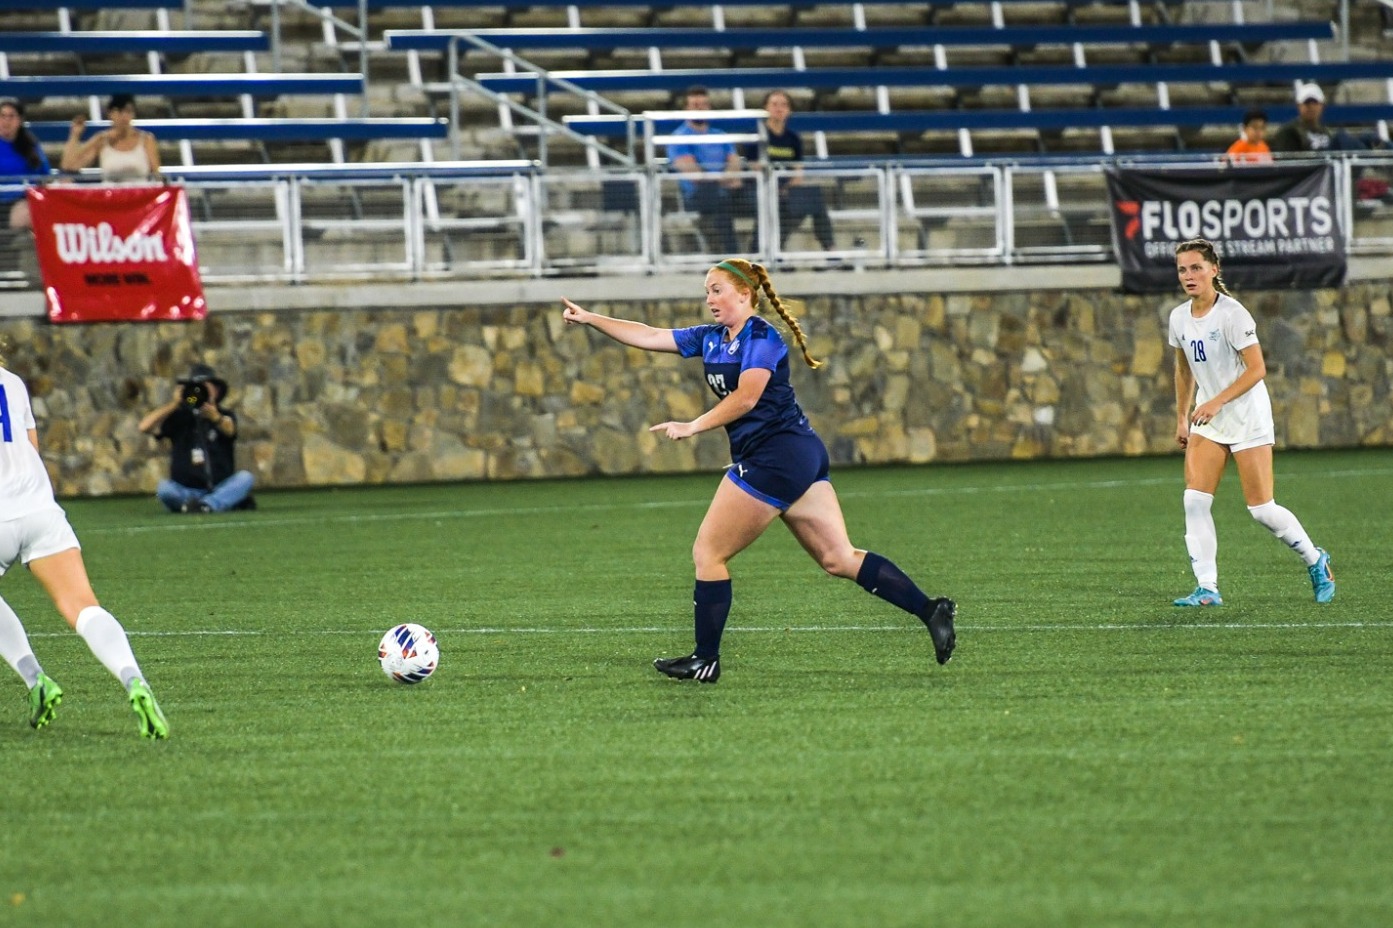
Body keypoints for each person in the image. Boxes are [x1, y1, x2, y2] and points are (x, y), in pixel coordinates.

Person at [561, 258, 956, 682]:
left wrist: (693, 425)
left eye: (717, 290)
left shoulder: (762, 337)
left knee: (708, 553)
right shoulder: (711, 338)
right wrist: (591, 318)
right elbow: (650, 334)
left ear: (745, 293)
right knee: (838, 558)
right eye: (707, 292)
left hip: (776, 457)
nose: (709, 299)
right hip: (796, 456)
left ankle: (705, 659)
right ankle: (930, 609)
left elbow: (748, 397)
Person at [0, 346, 169, 738]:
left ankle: (35, 679)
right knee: (83, 606)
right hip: (40, 509)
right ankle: (134, 680)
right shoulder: (12, 383)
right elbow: (31, 450)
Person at [1168, 237, 1335, 607]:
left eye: (1196, 267)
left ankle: (1315, 560)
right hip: (1209, 419)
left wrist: (1216, 401)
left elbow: (1257, 369)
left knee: (1261, 509)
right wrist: (1182, 417)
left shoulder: (1232, 314)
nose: (1189, 275)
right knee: (1194, 500)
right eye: (1182, 269)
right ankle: (1207, 588)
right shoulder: (1178, 318)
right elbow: (1183, 370)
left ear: (1214, 269)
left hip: (1247, 415)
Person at [138, 363, 255, 514]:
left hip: (218, 487)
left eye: (207, 387)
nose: (202, 391)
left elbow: (230, 430)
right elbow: (144, 427)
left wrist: (215, 417)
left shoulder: (224, 415)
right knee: (164, 489)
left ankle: (206, 505)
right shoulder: (179, 418)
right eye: (198, 387)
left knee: (245, 478)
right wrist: (175, 404)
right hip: (187, 490)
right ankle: (214, 504)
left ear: (216, 390)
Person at [665, 86, 755, 255]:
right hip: (697, 195)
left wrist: (724, 177)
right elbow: (694, 173)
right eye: (695, 105)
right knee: (719, 200)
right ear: (686, 109)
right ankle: (732, 256)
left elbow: (735, 163)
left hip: (727, 191)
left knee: (760, 199)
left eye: (704, 104)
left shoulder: (719, 134)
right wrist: (725, 178)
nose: (700, 109)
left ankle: (758, 252)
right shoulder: (679, 138)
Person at [742, 89, 835, 251]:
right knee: (777, 205)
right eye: (774, 104)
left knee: (815, 199)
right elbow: (753, 166)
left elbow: (798, 171)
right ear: (765, 108)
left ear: (789, 110)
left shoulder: (793, 139)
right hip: (760, 190)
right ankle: (764, 250)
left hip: (786, 190)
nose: (779, 108)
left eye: (784, 105)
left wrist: (788, 187)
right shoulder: (756, 136)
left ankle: (831, 250)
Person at [60, 93, 161, 181]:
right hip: (110, 195)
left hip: (140, 194)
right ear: (110, 114)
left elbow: (157, 176)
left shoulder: (146, 140)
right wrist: (75, 135)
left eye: (128, 111)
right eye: (119, 111)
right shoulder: (101, 140)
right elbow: (69, 166)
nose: (124, 116)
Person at [0, 98, 51, 230]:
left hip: (21, 203)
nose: (6, 121)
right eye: (2, 116)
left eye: (11, 116)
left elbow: (45, 177)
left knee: (28, 214)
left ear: (20, 120)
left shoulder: (31, 146)